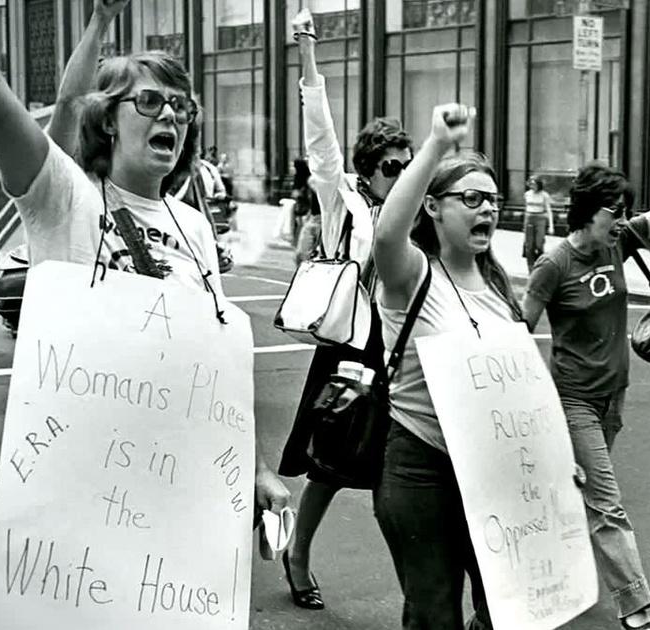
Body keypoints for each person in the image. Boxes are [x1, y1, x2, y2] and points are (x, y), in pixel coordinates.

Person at [0, 0, 290, 517]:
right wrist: (99, 23)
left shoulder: (195, 226)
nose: (171, 116)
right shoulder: (64, 198)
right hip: (80, 476)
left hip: (177, 476)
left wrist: (258, 465)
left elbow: (220, 360)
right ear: (108, 120)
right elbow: (1, 104)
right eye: (151, 102)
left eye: (182, 107)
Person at [523, 129, 650, 630]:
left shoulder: (616, 242)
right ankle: (636, 607)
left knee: (577, 494)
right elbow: (519, 334)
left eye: (624, 210)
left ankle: (543, 576)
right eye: (613, 210)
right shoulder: (554, 264)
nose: (621, 219)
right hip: (575, 398)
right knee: (606, 503)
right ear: (588, 211)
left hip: (612, 397)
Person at [276, 10, 414, 611]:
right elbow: (319, 140)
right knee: (330, 465)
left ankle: (420, 584)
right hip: (353, 348)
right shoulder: (346, 203)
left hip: (401, 349)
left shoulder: (417, 211)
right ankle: (298, 552)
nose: (401, 175)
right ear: (368, 168)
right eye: (391, 166)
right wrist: (308, 56)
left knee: (403, 465)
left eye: (408, 166)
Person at [373, 103, 520, 629]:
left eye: (494, 202)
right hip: (421, 467)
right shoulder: (413, 275)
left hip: (492, 469)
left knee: (506, 609)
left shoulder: (501, 288)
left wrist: (550, 463)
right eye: (473, 199)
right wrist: (436, 145)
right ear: (433, 208)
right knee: (435, 614)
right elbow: (388, 235)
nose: (488, 211)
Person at [291, 158, 321, 266]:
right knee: (301, 254)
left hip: (323, 220)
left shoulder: (315, 179)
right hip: (312, 217)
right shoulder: (309, 178)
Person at [522, 175, 555, 269]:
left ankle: (539, 264)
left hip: (540, 218)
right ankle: (530, 267)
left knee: (539, 244)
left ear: (538, 184)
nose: (532, 186)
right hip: (529, 218)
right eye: (531, 184)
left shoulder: (544, 195)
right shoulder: (527, 194)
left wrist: (551, 226)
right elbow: (526, 208)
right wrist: (524, 224)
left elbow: (548, 210)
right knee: (529, 245)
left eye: (534, 184)